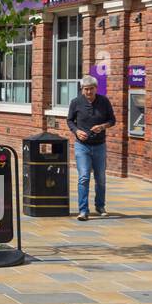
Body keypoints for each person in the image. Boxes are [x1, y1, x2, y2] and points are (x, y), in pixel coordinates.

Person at [67, 75, 115, 220]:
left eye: (91, 89)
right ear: (82, 90)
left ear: (96, 88)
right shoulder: (76, 102)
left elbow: (112, 120)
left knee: (100, 178)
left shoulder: (104, 101)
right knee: (84, 177)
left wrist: (102, 126)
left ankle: (100, 206)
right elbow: (69, 121)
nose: (88, 92)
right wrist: (76, 131)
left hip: (99, 145)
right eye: (86, 89)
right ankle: (83, 211)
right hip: (82, 146)